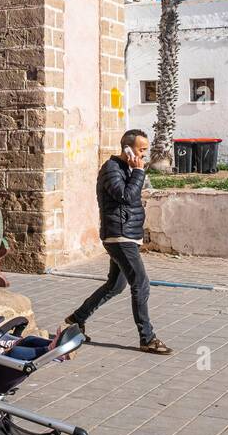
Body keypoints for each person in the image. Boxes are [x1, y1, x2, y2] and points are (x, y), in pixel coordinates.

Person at [63, 129, 171, 354]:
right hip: (119, 236)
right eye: (141, 150)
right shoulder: (111, 169)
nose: (144, 155)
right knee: (140, 283)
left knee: (116, 284)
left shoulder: (127, 169)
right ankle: (147, 338)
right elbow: (125, 196)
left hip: (126, 235)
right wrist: (138, 172)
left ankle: (77, 317)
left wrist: (135, 171)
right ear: (128, 149)